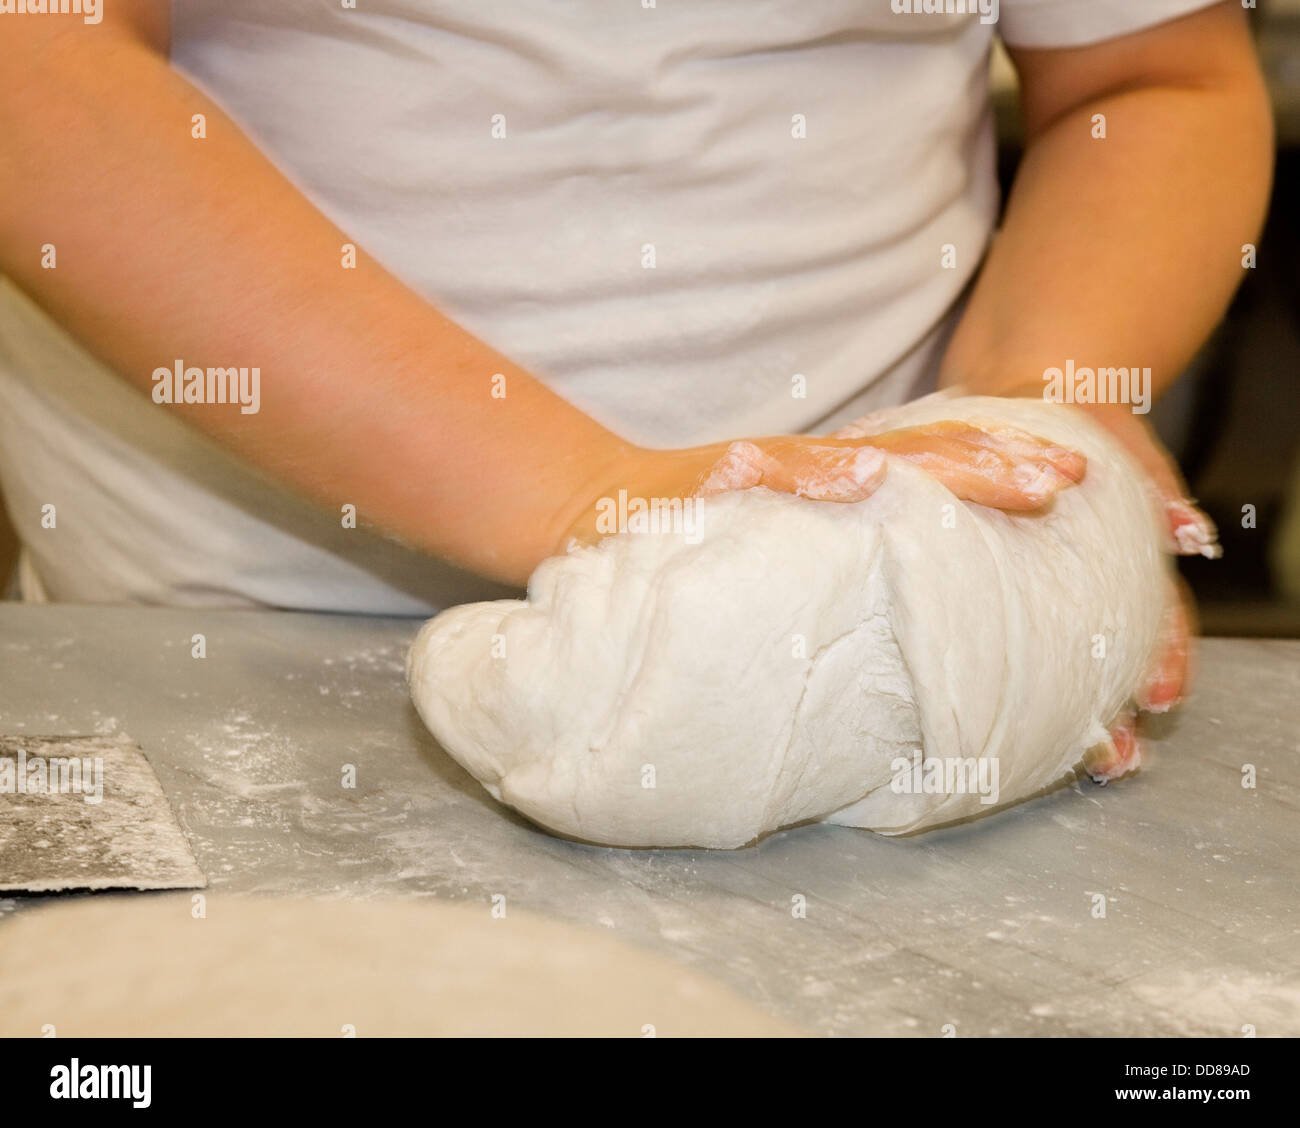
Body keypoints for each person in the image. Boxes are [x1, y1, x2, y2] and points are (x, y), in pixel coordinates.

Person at [0, 1, 1273, 766]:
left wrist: (1018, 436)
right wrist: (579, 491)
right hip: (221, 639)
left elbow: (1148, 74)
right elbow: (37, 68)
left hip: (861, 637)